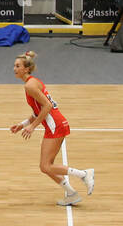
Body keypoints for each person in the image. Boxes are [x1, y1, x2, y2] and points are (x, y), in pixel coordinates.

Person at [10, 51, 95, 206]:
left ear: (26, 69)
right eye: (14, 66)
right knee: (46, 166)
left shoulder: (29, 86)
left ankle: (84, 174)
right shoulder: (33, 82)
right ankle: (71, 194)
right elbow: (38, 110)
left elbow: (47, 106)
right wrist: (23, 124)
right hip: (57, 124)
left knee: (45, 166)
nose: (14, 69)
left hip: (55, 126)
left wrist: (33, 127)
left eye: (17, 66)